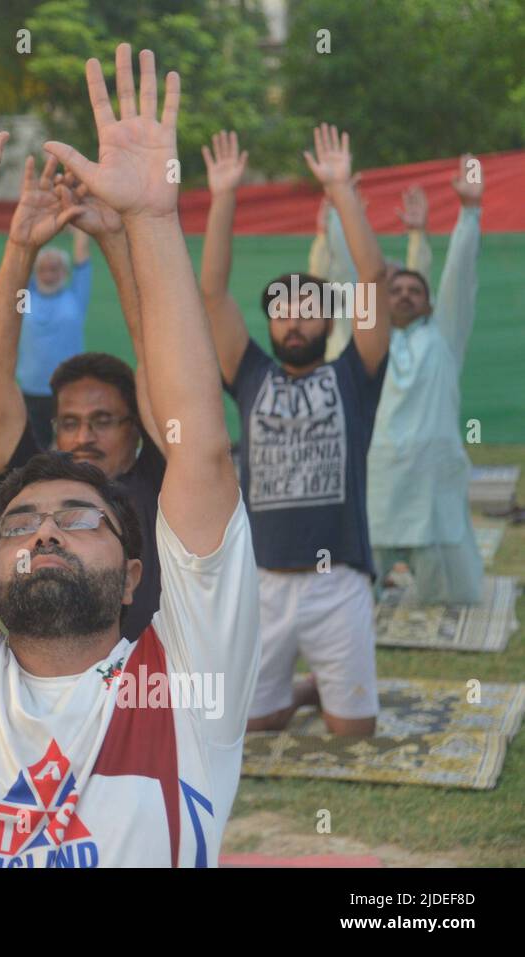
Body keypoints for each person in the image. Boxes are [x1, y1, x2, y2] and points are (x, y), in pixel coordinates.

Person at [0, 46, 258, 868]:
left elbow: (202, 451)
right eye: (20, 521)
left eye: (80, 516)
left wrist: (150, 221)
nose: (44, 531)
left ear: (137, 571)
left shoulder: (183, 686)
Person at [200, 126, 390, 736]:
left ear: (328, 319)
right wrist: (224, 195)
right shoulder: (249, 371)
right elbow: (210, 292)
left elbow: (374, 281)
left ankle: (327, 690)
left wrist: (341, 192)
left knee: (353, 733)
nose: (294, 316)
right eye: (282, 309)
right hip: (262, 581)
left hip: (339, 582)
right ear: (271, 324)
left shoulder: (355, 374)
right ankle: (302, 689)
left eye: (307, 306)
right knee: (259, 725)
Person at [0, 152, 166, 642]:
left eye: (103, 420)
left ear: (138, 429)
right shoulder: (27, 488)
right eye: (70, 422)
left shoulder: (165, 484)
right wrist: (20, 247)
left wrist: (116, 238)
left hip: (142, 695)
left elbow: (163, 361)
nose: (84, 436)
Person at [368, 158, 486, 605]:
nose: (403, 295)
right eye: (395, 290)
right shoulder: (369, 344)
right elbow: (346, 274)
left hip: (432, 480)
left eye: (414, 291)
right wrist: (339, 214)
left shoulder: (443, 337)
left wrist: (469, 212)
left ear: (430, 304)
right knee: (357, 594)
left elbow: (460, 275)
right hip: (378, 479)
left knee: (459, 598)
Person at [309, 181, 431, 361]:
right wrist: (329, 231)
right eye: (374, 283)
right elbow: (321, 284)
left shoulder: (411, 336)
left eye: (391, 287)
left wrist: (417, 235)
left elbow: (417, 282)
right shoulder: (345, 321)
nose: (380, 290)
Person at [16, 225, 91, 448]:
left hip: (68, 389)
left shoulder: (76, 297)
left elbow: (82, 255)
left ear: (65, 273)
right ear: (35, 272)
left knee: (71, 450)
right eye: (44, 269)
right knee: (34, 454)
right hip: (31, 390)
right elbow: (22, 259)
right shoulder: (25, 298)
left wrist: (79, 224)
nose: (49, 274)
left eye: (55, 268)